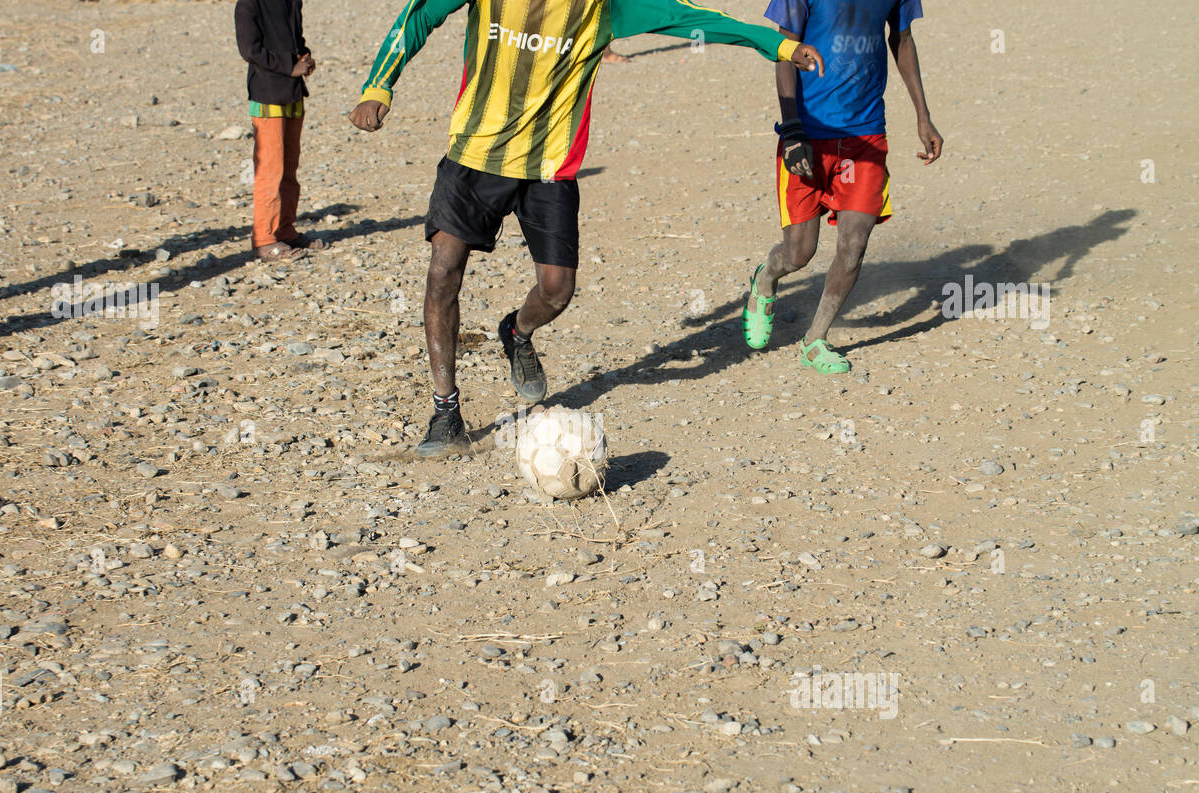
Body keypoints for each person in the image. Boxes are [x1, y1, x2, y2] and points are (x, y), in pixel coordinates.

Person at [349, 0, 824, 457]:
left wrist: (778, 46)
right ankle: (445, 412)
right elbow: (418, 15)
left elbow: (687, 17)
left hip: (550, 166)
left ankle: (516, 332)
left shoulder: (603, 6)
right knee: (443, 271)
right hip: (475, 155)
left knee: (556, 291)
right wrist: (378, 86)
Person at [743, 0, 942, 374]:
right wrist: (792, 130)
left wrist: (923, 116)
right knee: (799, 253)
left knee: (854, 246)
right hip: (808, 131)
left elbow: (901, 39)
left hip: (865, 134)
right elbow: (783, 50)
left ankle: (815, 340)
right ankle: (766, 279)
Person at [234, 0, 327, 261]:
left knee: (289, 168)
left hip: (293, 93)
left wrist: (303, 57)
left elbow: (294, 37)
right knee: (270, 170)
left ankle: (285, 230)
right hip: (267, 94)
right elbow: (250, 50)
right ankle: (264, 239)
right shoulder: (249, 4)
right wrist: (289, 66)